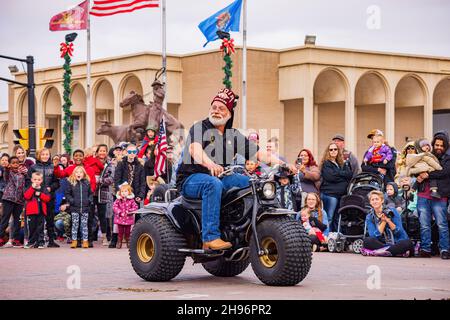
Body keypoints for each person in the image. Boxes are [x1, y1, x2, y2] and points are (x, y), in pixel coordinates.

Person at [176, 88, 293, 250]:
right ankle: (210, 238)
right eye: (214, 107)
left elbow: (259, 153)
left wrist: (283, 164)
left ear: (229, 113)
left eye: (221, 108)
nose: (216, 111)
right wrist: (210, 164)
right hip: (191, 179)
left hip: (219, 177)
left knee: (251, 182)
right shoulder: (200, 127)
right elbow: (194, 150)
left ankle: (247, 225)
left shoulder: (233, 135)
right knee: (212, 184)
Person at [415, 131, 450, 259]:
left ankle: (445, 249)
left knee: (442, 224)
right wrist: (417, 177)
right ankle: (425, 249)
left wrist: (428, 175)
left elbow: (444, 173)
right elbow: (416, 168)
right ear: (433, 145)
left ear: (445, 146)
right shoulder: (425, 156)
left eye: (441, 145)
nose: (439, 147)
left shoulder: (448, 159)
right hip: (423, 194)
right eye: (437, 145)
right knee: (424, 224)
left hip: (440, 196)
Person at [361, 190, 414, 257]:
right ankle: (392, 252)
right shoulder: (370, 216)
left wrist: (388, 221)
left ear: (382, 201)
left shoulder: (392, 211)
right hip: (382, 244)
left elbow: (399, 231)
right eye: (372, 200)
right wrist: (383, 222)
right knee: (367, 241)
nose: (375, 201)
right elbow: (374, 236)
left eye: (377, 199)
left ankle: (380, 252)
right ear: (370, 202)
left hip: (397, 242)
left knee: (407, 243)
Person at [26, 148, 60, 248]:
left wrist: (51, 188)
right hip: (35, 198)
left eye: (47, 154)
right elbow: (28, 182)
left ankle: (51, 240)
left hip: (49, 196)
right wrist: (33, 189)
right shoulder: (33, 167)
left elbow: (57, 182)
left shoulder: (53, 167)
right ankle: (36, 240)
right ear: (38, 155)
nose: (45, 156)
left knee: (50, 219)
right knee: (37, 221)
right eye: (43, 154)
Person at [320, 142, 353, 232]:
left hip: (340, 195)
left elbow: (350, 174)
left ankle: (335, 237)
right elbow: (330, 177)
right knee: (329, 218)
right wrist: (342, 176)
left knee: (337, 218)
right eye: (331, 149)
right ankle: (326, 237)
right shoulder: (326, 163)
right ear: (328, 151)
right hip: (330, 195)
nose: (333, 151)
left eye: (335, 149)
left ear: (338, 151)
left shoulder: (341, 163)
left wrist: (338, 174)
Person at [0, 156, 27, 248]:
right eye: (13, 163)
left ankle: (15, 239)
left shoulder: (22, 174)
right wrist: (6, 168)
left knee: (17, 220)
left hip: (19, 200)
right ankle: (0, 237)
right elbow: (6, 175)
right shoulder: (8, 172)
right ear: (10, 164)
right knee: (5, 219)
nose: (15, 164)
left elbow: (26, 182)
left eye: (17, 163)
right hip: (8, 199)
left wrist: (25, 172)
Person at [66, 166, 93, 249]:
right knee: (75, 225)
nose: (78, 174)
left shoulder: (87, 183)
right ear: (74, 174)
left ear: (84, 174)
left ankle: (85, 241)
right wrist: (71, 201)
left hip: (85, 208)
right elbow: (67, 194)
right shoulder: (71, 183)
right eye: (77, 172)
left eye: (80, 172)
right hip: (75, 208)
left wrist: (89, 200)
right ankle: (74, 241)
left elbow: (91, 194)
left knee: (84, 225)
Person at [24, 172, 51, 249]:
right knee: (31, 228)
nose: (37, 181)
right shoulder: (29, 187)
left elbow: (48, 198)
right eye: (35, 179)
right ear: (32, 180)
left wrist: (40, 194)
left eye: (38, 179)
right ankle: (31, 242)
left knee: (40, 227)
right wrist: (32, 188)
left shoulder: (44, 188)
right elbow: (26, 196)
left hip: (41, 212)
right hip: (31, 212)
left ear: (41, 180)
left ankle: (41, 242)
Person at [114, 144, 146, 209]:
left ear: (136, 153)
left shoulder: (140, 166)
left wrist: (140, 195)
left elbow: (143, 182)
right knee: (122, 216)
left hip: (136, 195)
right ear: (126, 152)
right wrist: (120, 192)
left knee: (136, 216)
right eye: (129, 152)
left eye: (134, 152)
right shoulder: (121, 164)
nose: (132, 154)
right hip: (123, 195)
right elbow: (117, 180)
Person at [113, 183, 139, 249]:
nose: (124, 193)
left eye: (125, 191)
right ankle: (119, 242)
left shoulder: (131, 200)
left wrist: (130, 211)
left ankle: (128, 242)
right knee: (120, 232)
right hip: (120, 219)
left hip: (128, 219)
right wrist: (119, 212)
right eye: (122, 191)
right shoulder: (118, 200)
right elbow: (114, 207)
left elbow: (136, 207)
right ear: (120, 192)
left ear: (129, 192)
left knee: (128, 232)